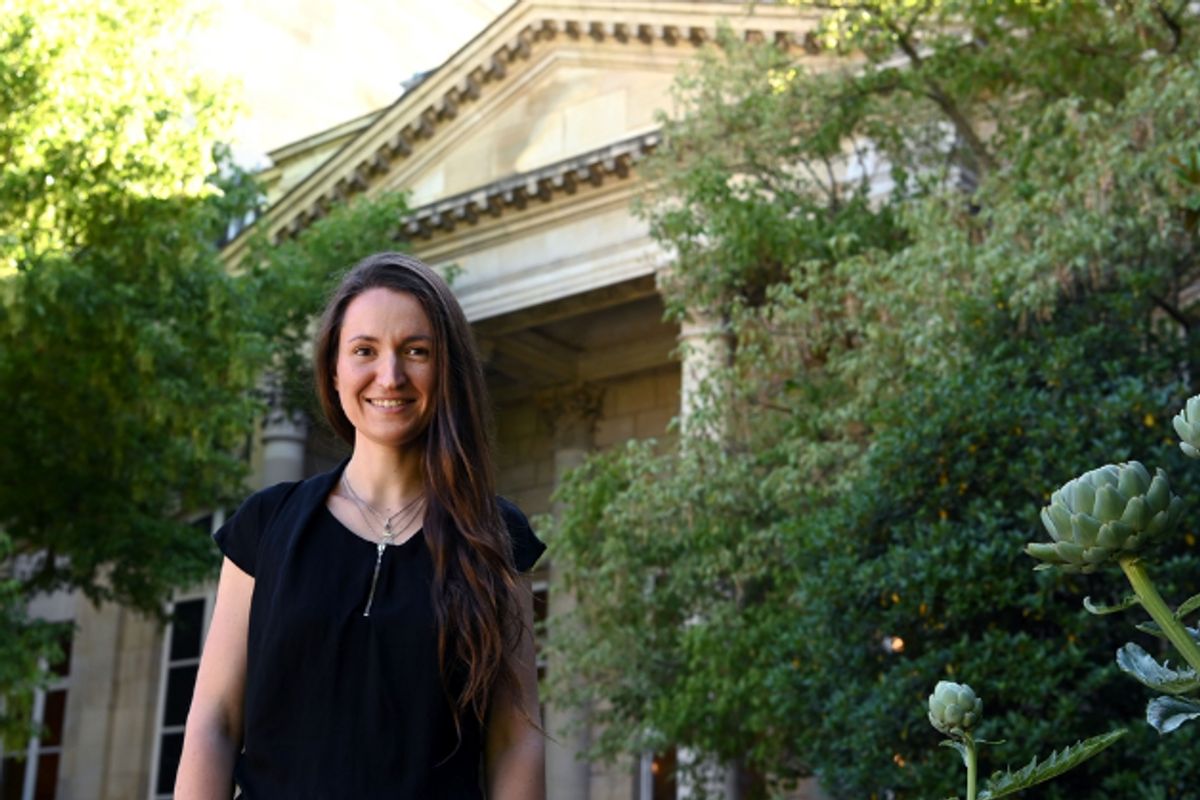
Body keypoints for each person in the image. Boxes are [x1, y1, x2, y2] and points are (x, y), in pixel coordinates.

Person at [175, 252, 546, 799]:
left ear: (446, 371)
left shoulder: (494, 536)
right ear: (334, 371)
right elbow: (215, 723)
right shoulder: (266, 525)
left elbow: (515, 741)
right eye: (364, 351)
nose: (389, 376)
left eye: (416, 351)